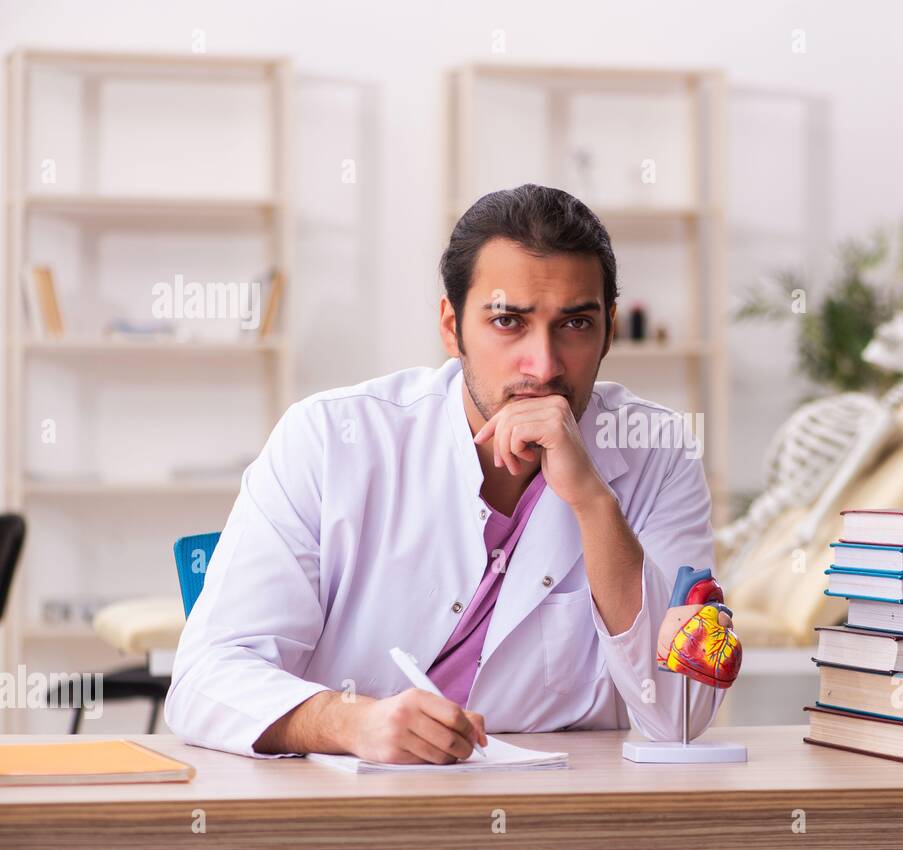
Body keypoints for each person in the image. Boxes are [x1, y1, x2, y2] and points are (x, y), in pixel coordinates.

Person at [164, 184, 723, 764]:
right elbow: (206, 678)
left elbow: (679, 713)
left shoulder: (655, 451)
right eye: (508, 321)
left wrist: (594, 504)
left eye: (575, 325)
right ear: (452, 328)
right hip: (348, 809)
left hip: (558, 813)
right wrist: (352, 722)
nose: (544, 365)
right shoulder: (330, 439)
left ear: (608, 329)